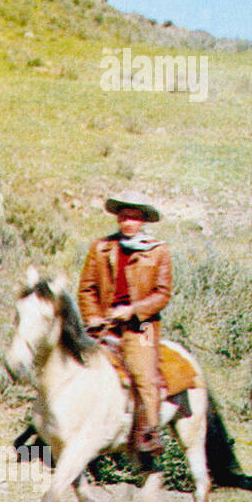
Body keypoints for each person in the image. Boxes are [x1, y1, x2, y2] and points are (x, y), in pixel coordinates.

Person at [78, 191, 172, 461]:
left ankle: (149, 435)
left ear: (143, 220)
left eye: (134, 217)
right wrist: (92, 316)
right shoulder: (101, 247)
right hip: (104, 323)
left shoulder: (158, 251)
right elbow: (87, 288)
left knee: (143, 373)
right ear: (118, 218)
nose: (128, 221)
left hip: (140, 327)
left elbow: (162, 294)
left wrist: (132, 310)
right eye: (124, 216)